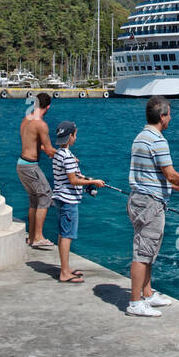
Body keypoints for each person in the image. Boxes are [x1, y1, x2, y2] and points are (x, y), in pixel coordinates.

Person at [125, 95, 179, 317]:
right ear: (162, 116)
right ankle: (135, 302)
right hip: (150, 204)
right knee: (142, 252)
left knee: (148, 249)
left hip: (138, 199)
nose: (171, 118)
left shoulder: (140, 137)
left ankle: (147, 294)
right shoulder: (158, 140)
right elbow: (169, 173)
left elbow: (152, 174)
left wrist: (175, 189)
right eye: (169, 114)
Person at [49, 120, 105, 284]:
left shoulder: (59, 154)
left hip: (59, 198)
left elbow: (72, 176)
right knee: (67, 236)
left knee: (62, 234)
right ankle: (65, 273)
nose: (76, 138)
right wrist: (92, 183)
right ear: (70, 136)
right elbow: (73, 180)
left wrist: (88, 179)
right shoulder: (68, 157)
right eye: (75, 134)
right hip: (68, 201)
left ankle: (65, 268)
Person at [17, 92, 57, 249]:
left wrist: (47, 150)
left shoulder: (25, 120)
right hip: (30, 166)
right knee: (46, 195)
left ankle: (32, 237)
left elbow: (32, 144)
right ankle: (39, 237)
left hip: (21, 164)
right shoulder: (41, 124)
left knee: (34, 199)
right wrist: (67, 156)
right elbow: (48, 149)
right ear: (48, 107)